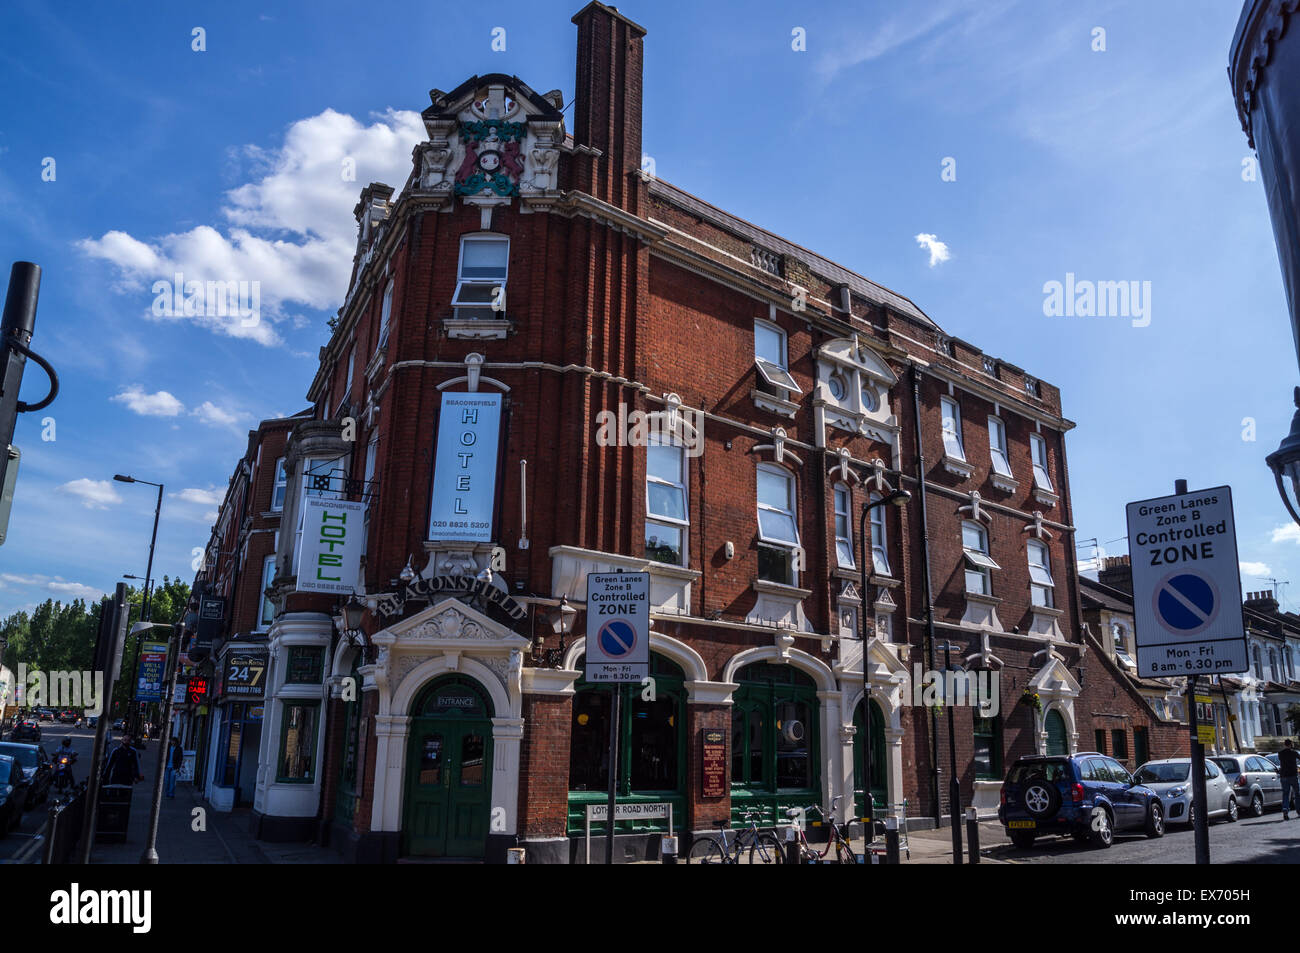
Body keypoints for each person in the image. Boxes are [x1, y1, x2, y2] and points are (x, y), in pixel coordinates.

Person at [1278, 739, 1300, 820]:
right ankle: (1299, 810)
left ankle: (1285, 810)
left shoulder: (1280, 753)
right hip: (1293, 775)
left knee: (1286, 794)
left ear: (1285, 744)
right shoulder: (1294, 753)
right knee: (1297, 793)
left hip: (1284, 776)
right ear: (1291, 744)